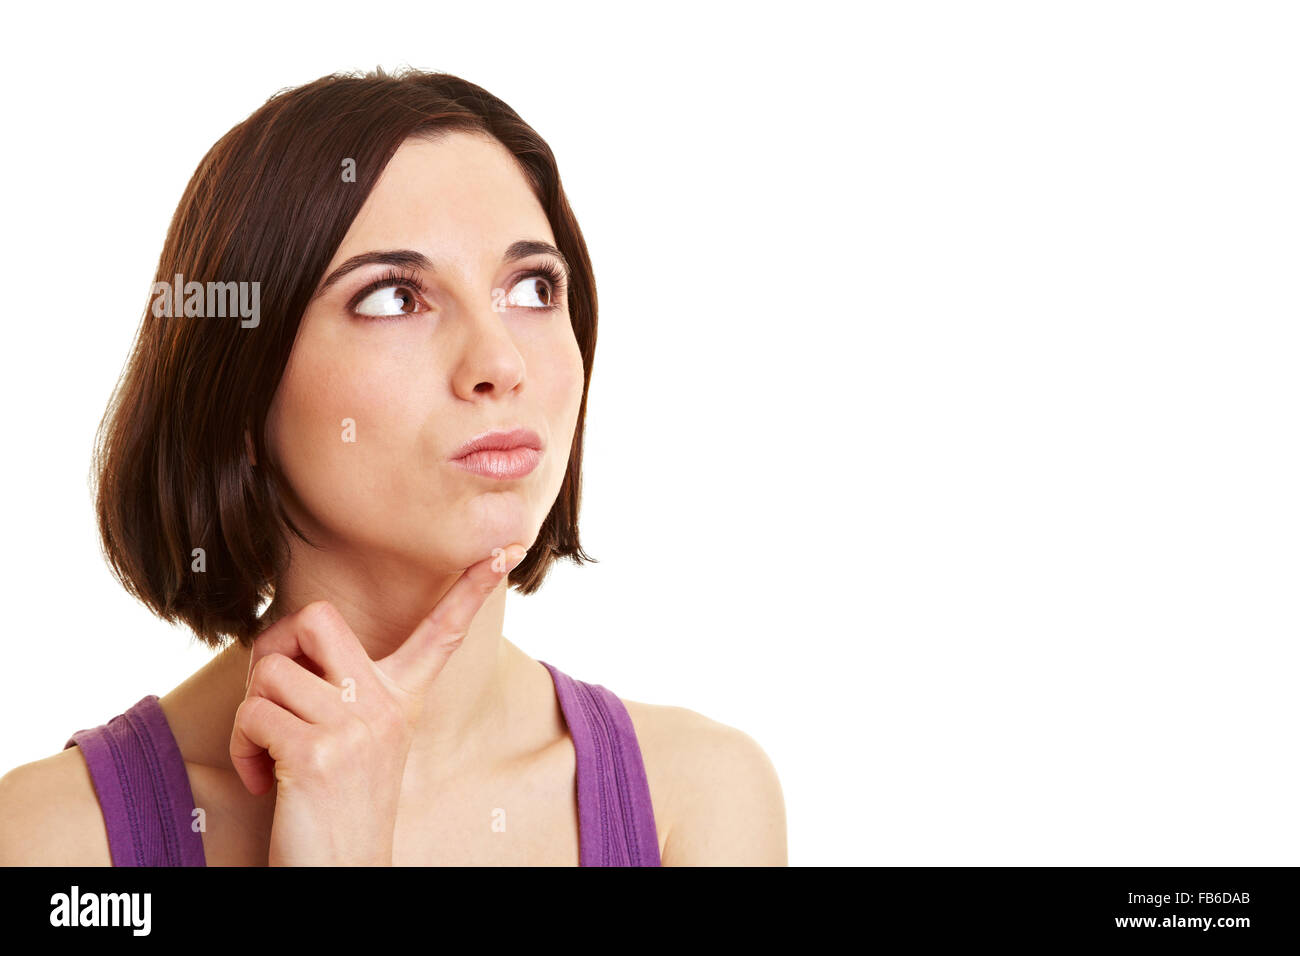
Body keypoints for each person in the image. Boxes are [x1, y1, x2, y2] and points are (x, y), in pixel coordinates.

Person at [0, 68, 785, 866]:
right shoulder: (52, 843)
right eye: (392, 298)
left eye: (533, 285)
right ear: (238, 396)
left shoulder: (696, 802)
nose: (500, 360)